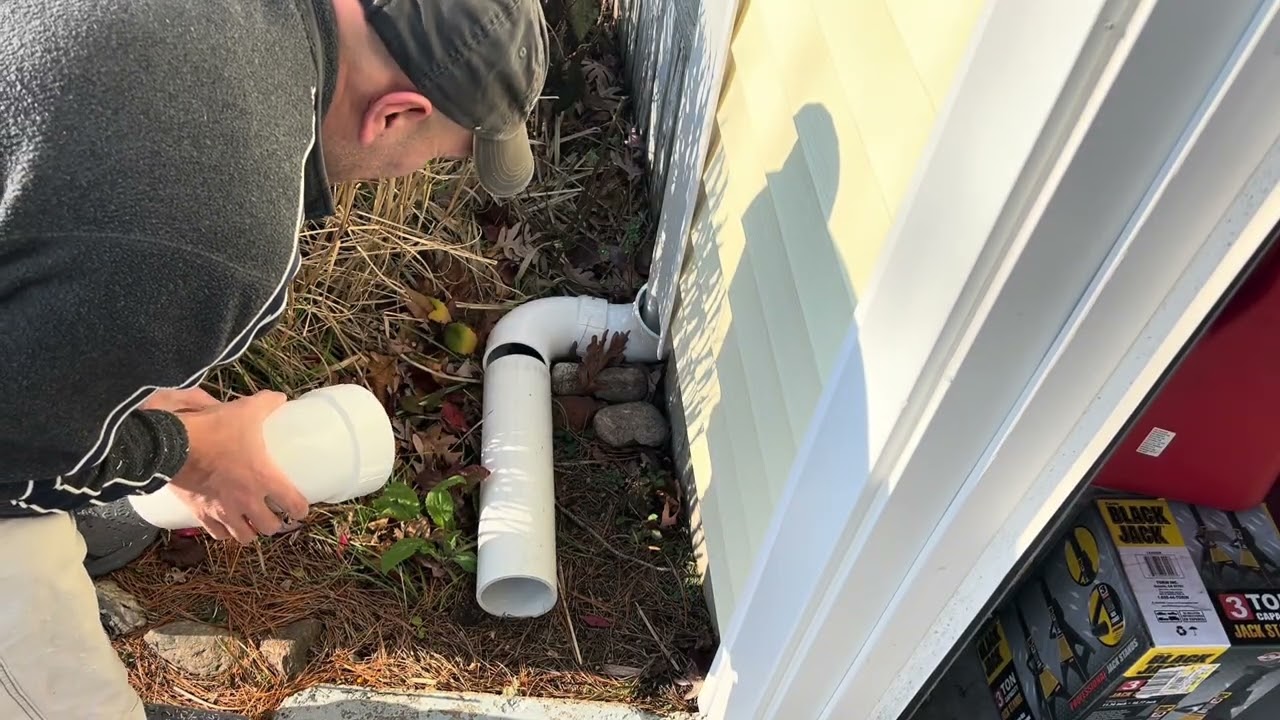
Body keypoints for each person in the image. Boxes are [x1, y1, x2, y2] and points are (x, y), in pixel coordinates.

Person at [0, 0, 548, 716]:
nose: (410, 171)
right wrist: (186, 455)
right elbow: (10, 456)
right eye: (440, 156)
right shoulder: (226, 233)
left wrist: (115, 400)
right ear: (395, 115)